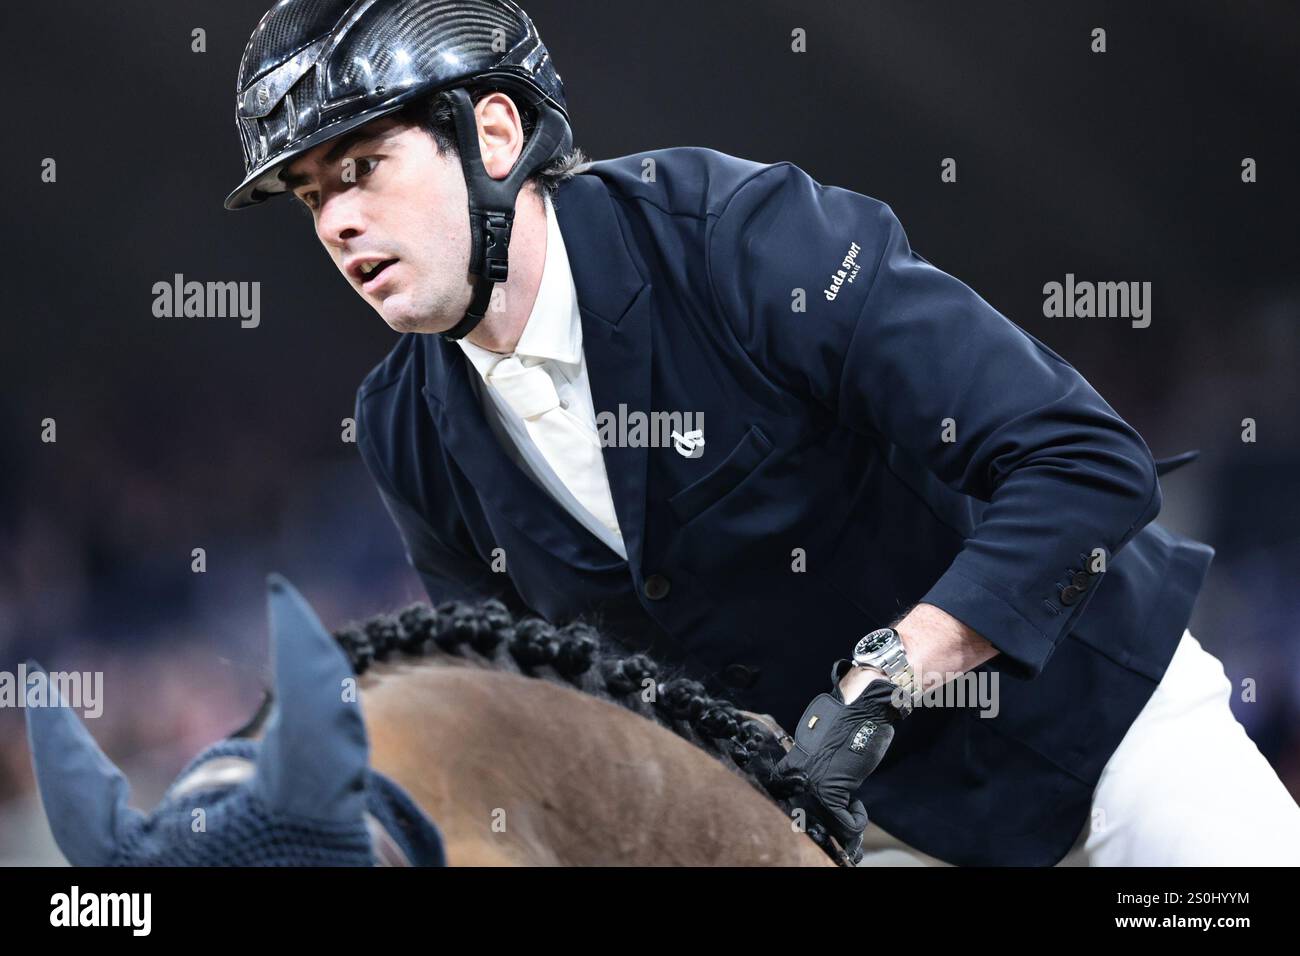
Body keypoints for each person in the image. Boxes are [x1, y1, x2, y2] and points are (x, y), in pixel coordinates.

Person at [224, 0, 1300, 865]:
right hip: (859, 836)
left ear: (493, 132)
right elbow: (537, 711)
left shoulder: (736, 238)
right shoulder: (404, 428)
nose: (336, 223)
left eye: (361, 168)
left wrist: (879, 679)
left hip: (1100, 745)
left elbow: (1083, 461)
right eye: (311, 197)